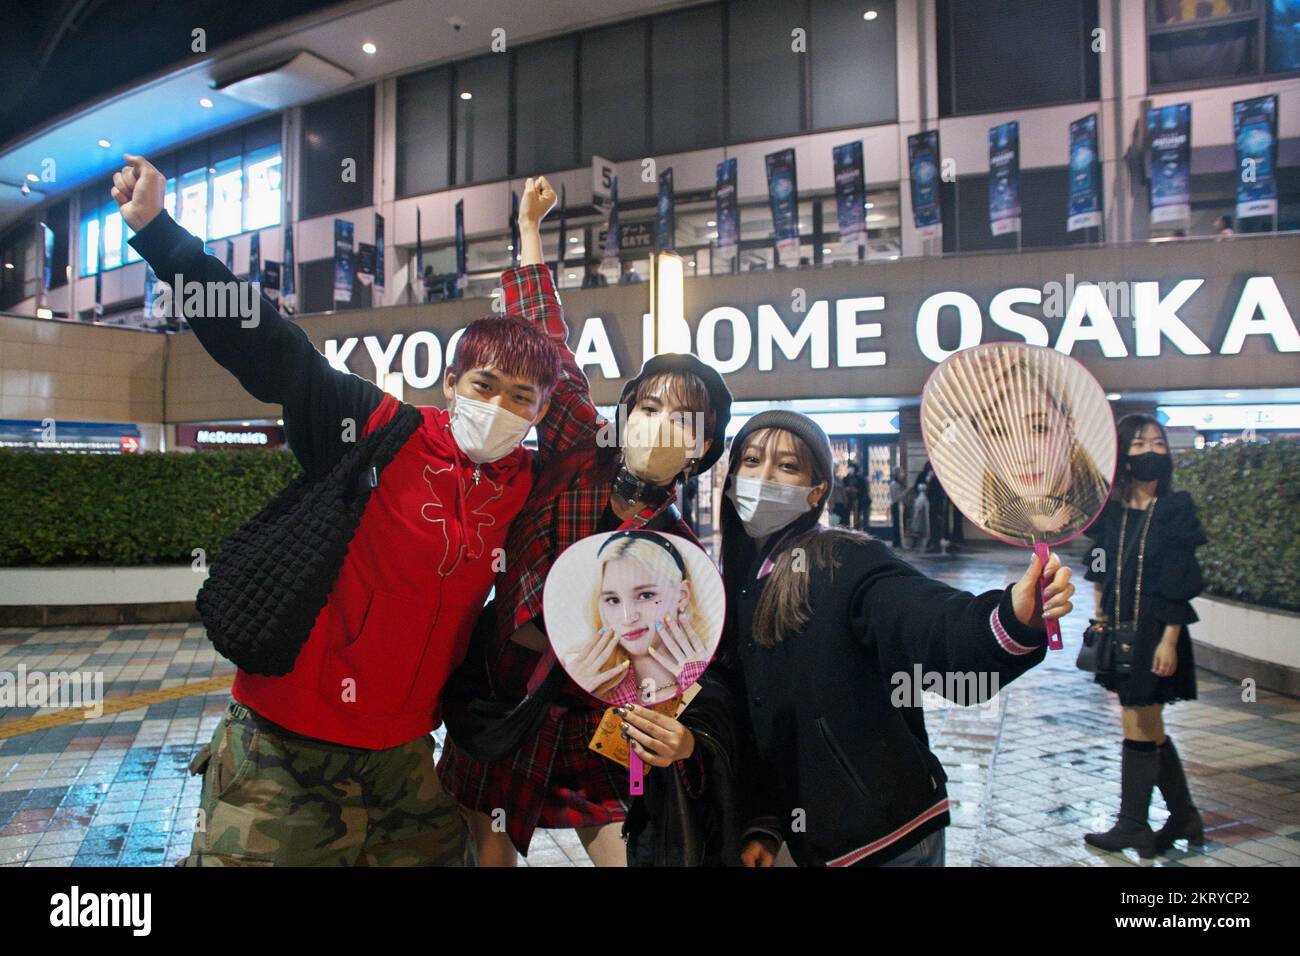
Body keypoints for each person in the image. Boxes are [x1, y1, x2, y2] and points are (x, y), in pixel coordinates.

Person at [112, 154, 564, 866]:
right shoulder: (376, 428)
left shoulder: (529, 483)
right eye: (486, 384)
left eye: (523, 398)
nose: (502, 407)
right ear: (450, 382)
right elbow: (271, 352)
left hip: (407, 757)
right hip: (284, 750)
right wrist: (163, 237)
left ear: (543, 410)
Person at [632, 410, 1073, 866]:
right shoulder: (742, 585)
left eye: (786, 466)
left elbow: (927, 623)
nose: (762, 478)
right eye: (750, 460)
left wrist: (1010, 616)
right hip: (817, 844)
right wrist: (767, 823)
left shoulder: (843, 562)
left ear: (816, 489)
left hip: (888, 837)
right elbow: (764, 725)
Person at [437, 238, 733, 866]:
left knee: (628, 857)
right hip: (505, 700)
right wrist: (529, 235)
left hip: (593, 729)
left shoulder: (681, 553)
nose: (659, 424)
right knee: (484, 859)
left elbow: (672, 672)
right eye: (648, 406)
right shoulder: (575, 449)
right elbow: (549, 341)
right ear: (623, 415)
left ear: (704, 450)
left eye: (684, 419)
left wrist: (668, 729)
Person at [1082, 414, 1207, 858]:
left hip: (1157, 630)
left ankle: (1133, 824)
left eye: (1157, 443)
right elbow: (1097, 563)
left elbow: (1180, 577)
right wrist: (1100, 613)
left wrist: (1170, 640)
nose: (1150, 451)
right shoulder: (1110, 512)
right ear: (1123, 454)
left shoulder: (1176, 510)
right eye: (1138, 445)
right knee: (1149, 726)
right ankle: (1183, 814)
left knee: (1138, 720)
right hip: (1120, 628)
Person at [889, 466, 908, 547]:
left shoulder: (899, 484)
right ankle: (898, 542)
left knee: (899, 524)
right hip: (897, 505)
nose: (902, 475)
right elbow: (896, 497)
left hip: (899, 505)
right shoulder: (894, 485)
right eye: (900, 473)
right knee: (898, 525)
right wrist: (906, 492)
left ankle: (898, 542)